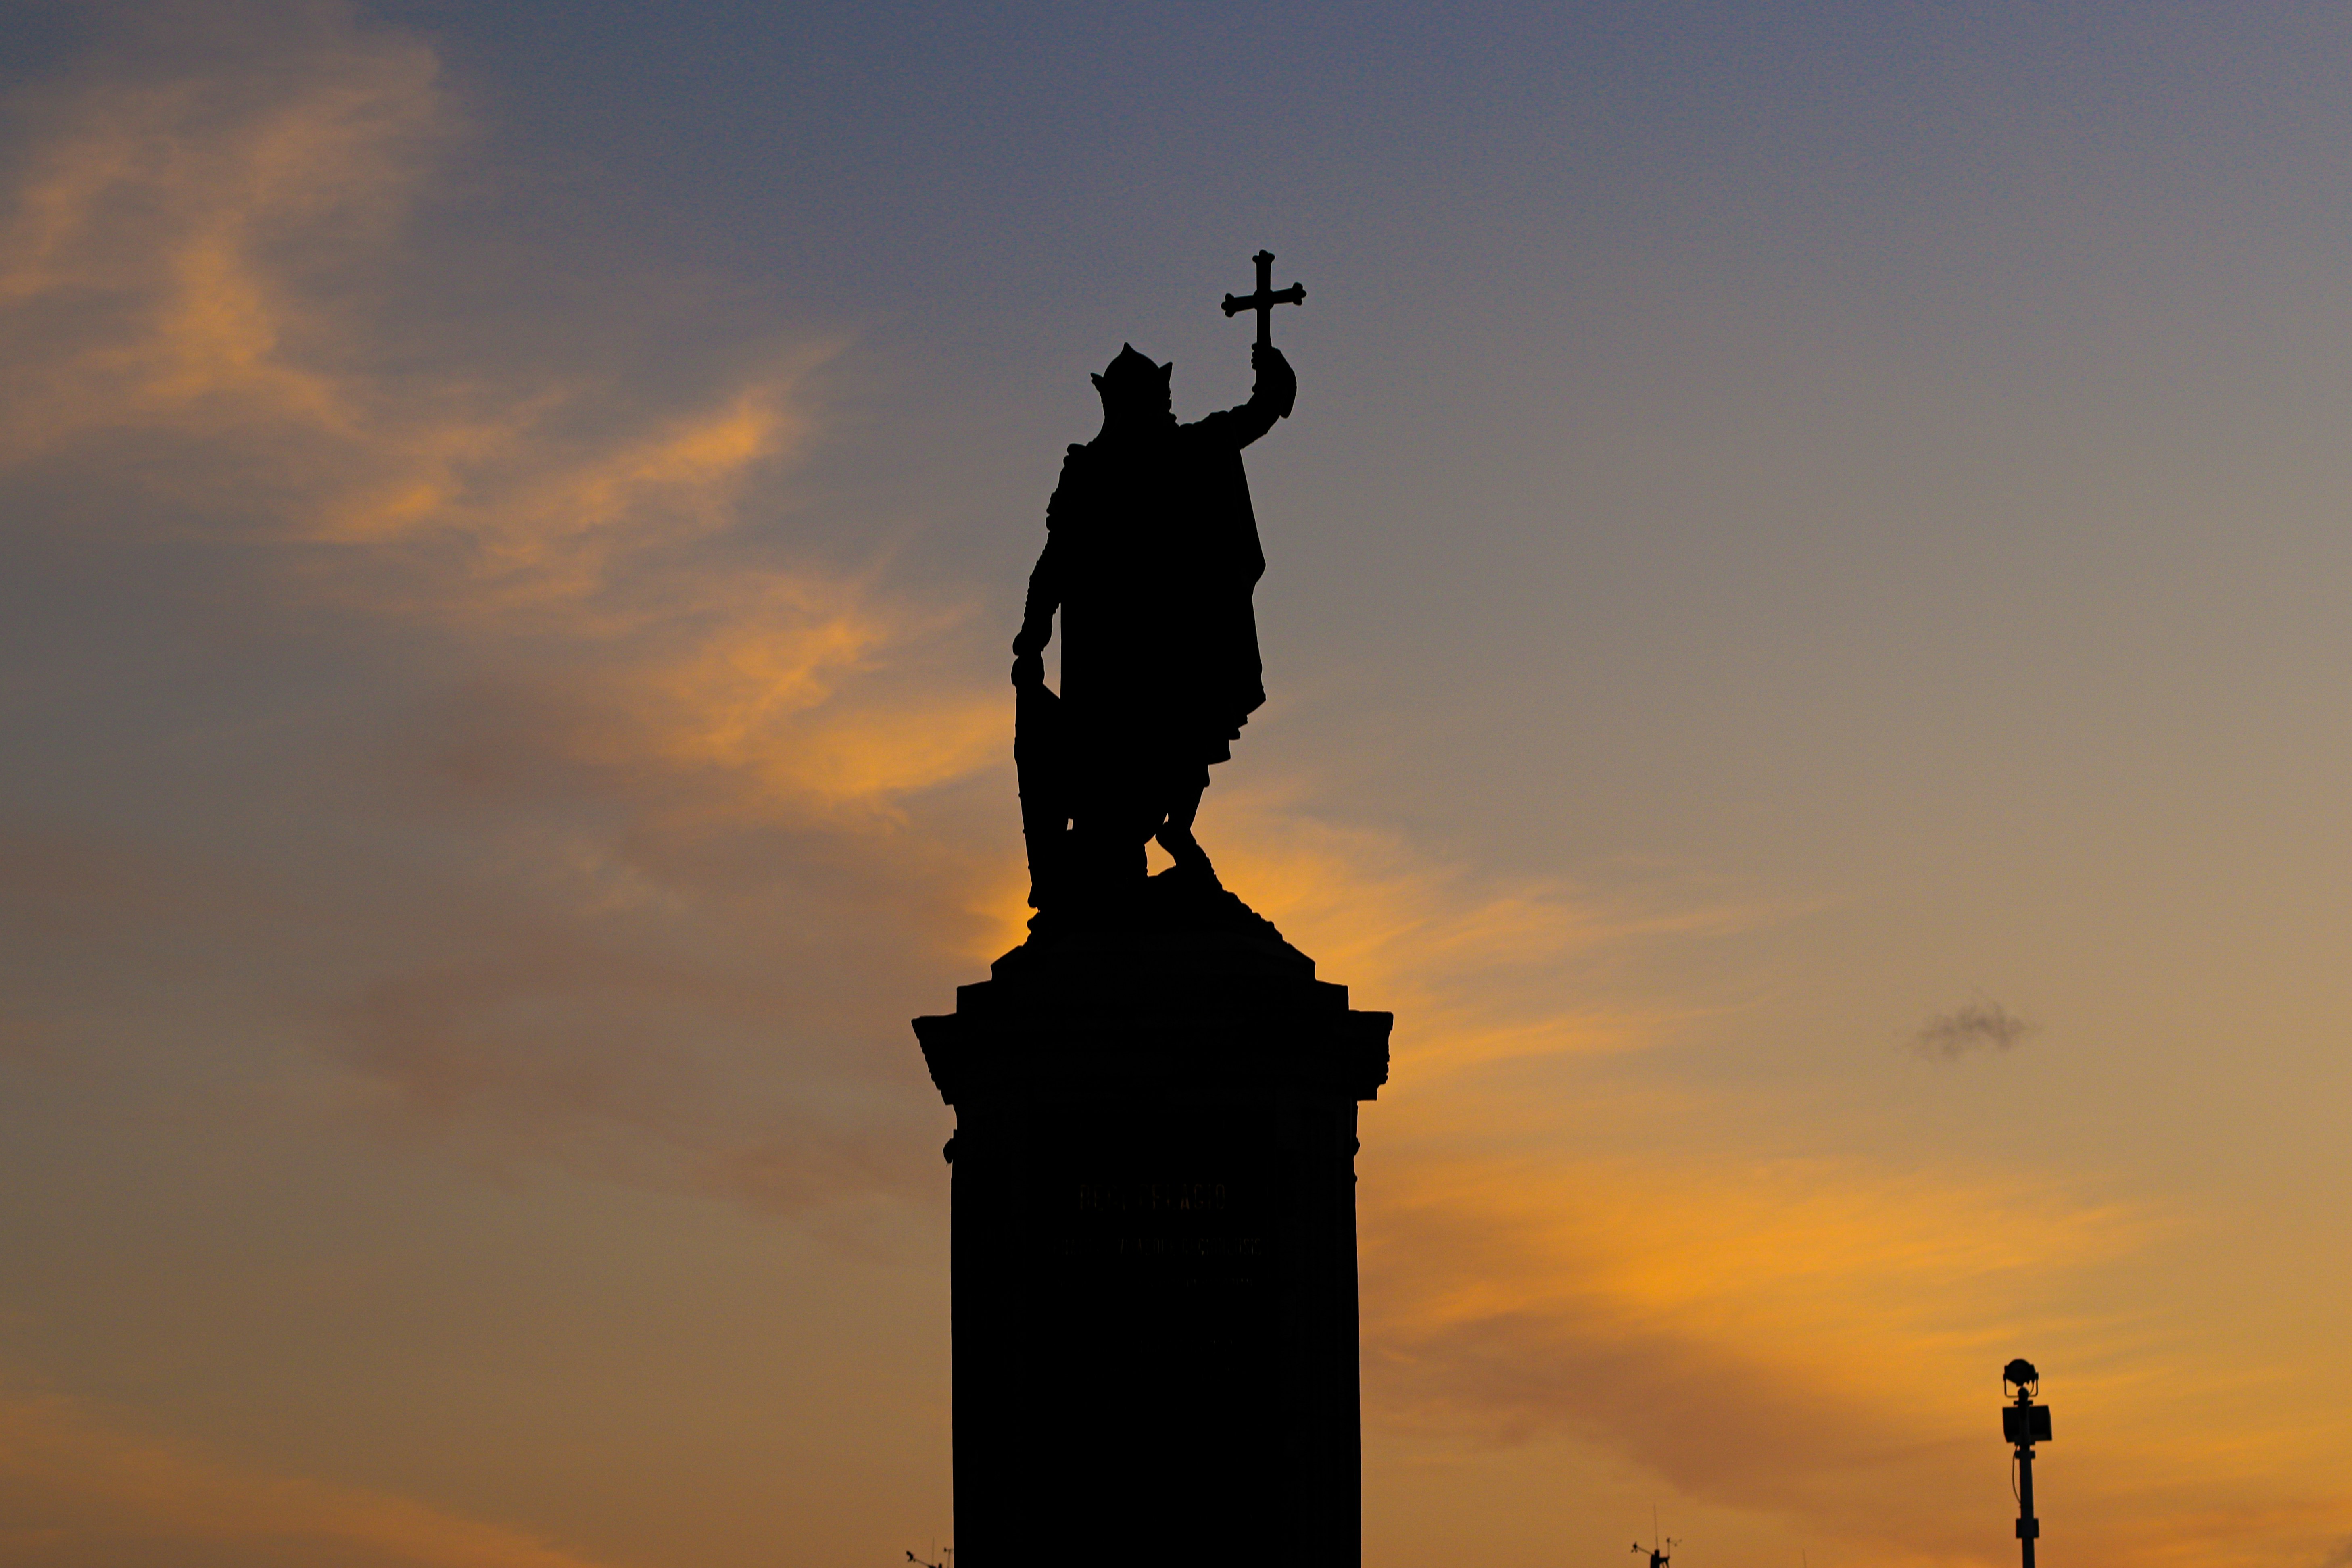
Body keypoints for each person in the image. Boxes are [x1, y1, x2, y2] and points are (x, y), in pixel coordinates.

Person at [1013, 338, 1296, 908]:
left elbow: (1053, 562)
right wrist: (1034, 633)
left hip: (1150, 657)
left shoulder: (1126, 463)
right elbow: (1057, 559)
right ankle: (1144, 850)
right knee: (1162, 751)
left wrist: (1033, 632)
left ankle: (1157, 842)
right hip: (1130, 664)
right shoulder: (1119, 465)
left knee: (1177, 743)